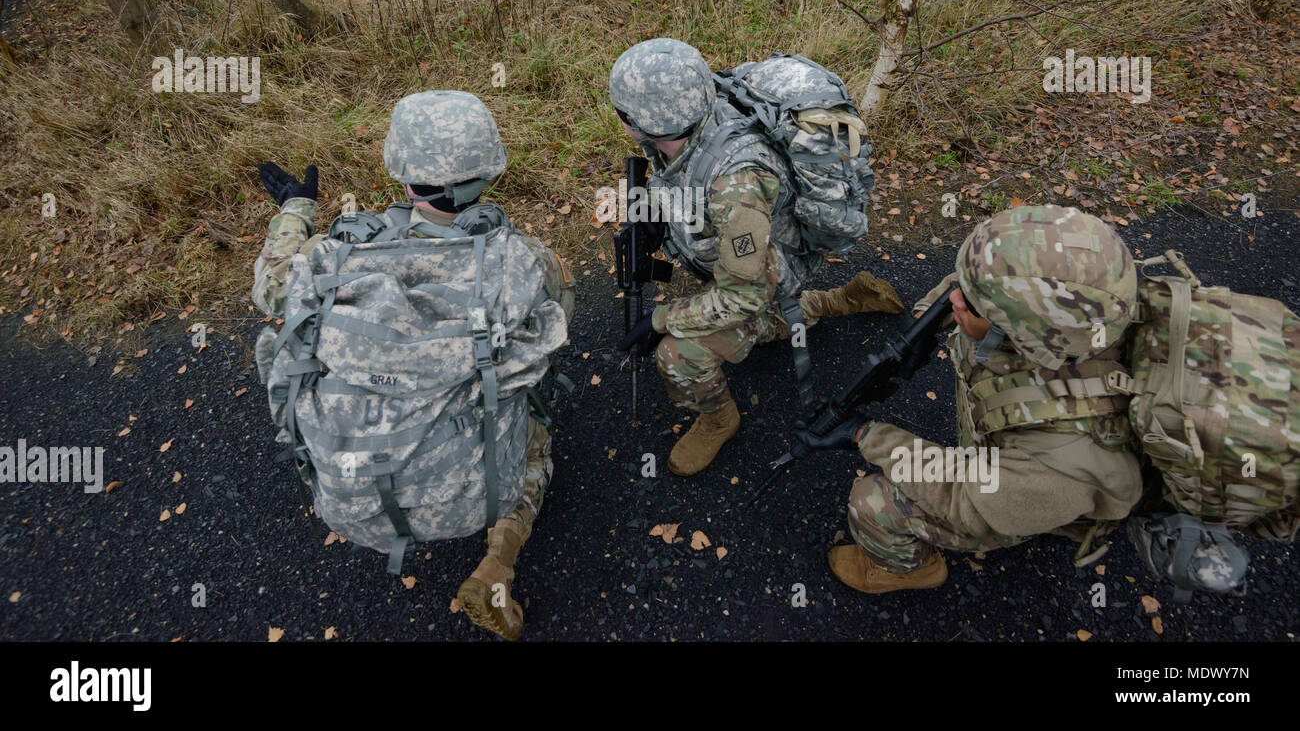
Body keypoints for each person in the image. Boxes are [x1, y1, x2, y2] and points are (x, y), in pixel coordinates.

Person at [252, 90, 574, 640]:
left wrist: (296, 210)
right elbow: (553, 334)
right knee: (534, 414)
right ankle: (497, 559)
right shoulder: (524, 261)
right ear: (487, 174)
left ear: (400, 172)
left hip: (355, 499)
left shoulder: (333, 259)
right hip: (475, 492)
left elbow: (268, 286)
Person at [611, 37, 902, 477]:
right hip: (744, 250)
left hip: (765, 271)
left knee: (679, 354)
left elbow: (744, 295)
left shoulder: (737, 188)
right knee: (739, 307)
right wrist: (659, 212)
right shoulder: (692, 119)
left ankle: (718, 420)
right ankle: (839, 300)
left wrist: (661, 320)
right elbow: (688, 182)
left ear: (636, 124)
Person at [827, 204, 1145, 593]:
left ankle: (908, 569)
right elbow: (981, 284)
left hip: (1034, 488)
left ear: (1021, 334)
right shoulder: (1086, 306)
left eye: (973, 306)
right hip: (1032, 452)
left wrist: (867, 435)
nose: (957, 301)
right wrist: (922, 323)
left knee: (872, 504)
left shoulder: (1062, 457)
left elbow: (963, 495)